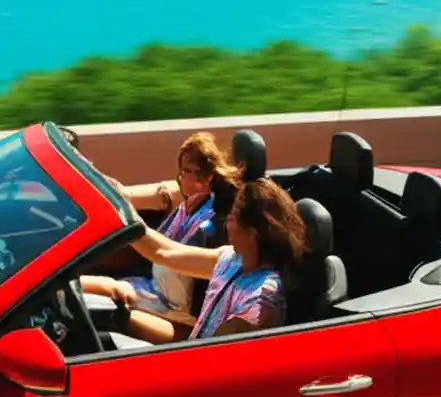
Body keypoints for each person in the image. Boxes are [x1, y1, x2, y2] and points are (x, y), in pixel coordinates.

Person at [109, 177, 308, 343]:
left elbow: (215, 353)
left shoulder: (262, 297)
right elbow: (162, 252)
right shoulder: (230, 259)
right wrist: (119, 207)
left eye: (234, 216)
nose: (227, 220)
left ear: (252, 232)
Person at [80, 132, 240, 333]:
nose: (182, 177)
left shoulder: (211, 225)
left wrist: (122, 215)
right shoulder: (188, 207)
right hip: (154, 289)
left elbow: (163, 251)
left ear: (208, 176)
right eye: (182, 171)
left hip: (173, 307)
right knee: (102, 285)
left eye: (189, 171)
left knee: (108, 289)